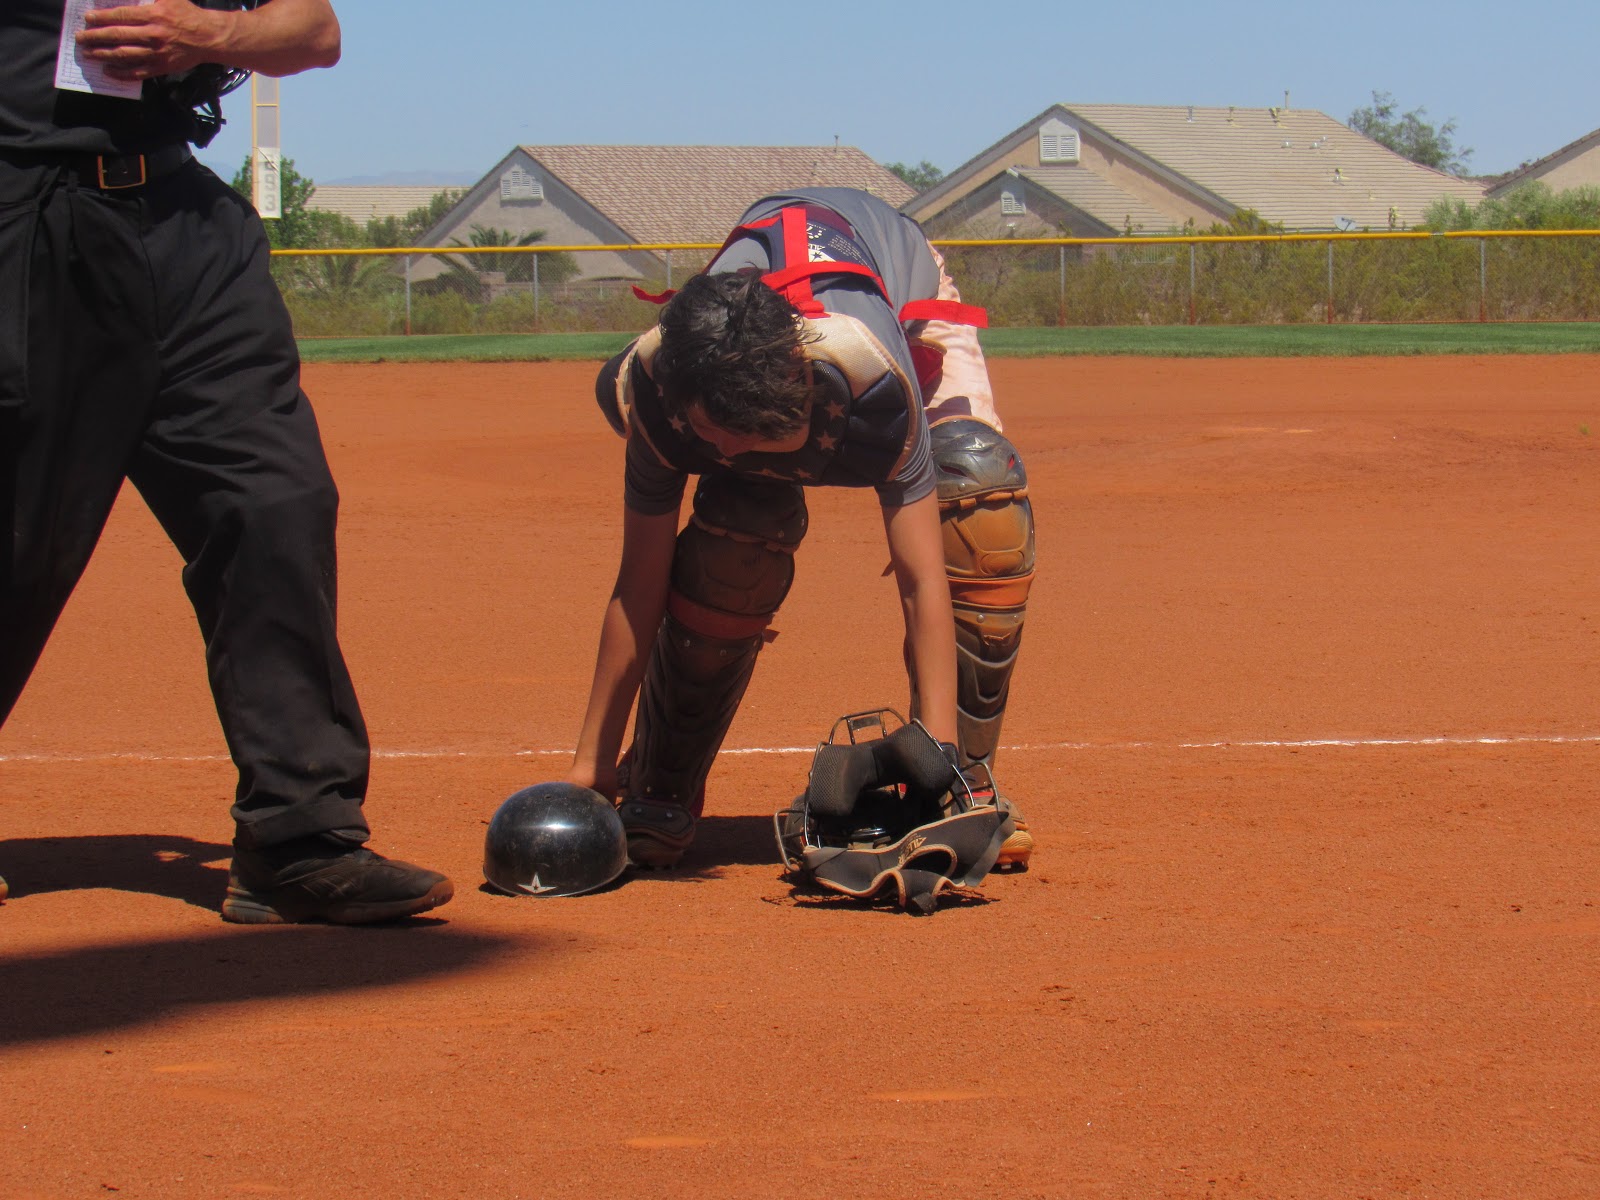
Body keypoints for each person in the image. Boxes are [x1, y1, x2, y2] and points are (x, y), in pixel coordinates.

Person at [0, 0, 452, 922]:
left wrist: (205, 35)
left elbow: (312, 31)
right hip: (22, 217)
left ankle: (298, 836)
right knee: (20, 533)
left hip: (181, 223)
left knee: (273, 501)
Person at [569, 187, 1037, 870]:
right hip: (761, 352)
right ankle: (659, 782)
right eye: (710, 434)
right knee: (739, 525)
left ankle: (962, 780)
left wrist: (931, 766)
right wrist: (590, 766)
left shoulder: (875, 383)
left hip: (899, 292)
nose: (726, 451)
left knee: (980, 500)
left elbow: (919, 581)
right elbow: (636, 584)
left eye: (748, 434)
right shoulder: (656, 393)